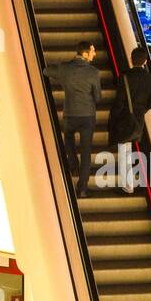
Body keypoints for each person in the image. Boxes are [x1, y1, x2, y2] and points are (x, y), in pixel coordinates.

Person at [49, 41, 100, 196]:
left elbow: (46, 71)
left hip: (70, 113)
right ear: (84, 54)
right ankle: (82, 188)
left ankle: (73, 166)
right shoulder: (94, 72)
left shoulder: (64, 68)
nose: (95, 54)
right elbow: (98, 97)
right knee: (86, 151)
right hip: (87, 116)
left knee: (68, 139)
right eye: (92, 51)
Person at [108, 46, 151, 193]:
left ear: (131, 59)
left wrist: (113, 117)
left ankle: (128, 185)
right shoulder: (150, 78)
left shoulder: (124, 76)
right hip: (138, 118)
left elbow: (120, 100)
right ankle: (129, 184)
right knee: (128, 149)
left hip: (124, 117)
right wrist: (140, 111)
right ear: (145, 61)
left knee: (124, 151)